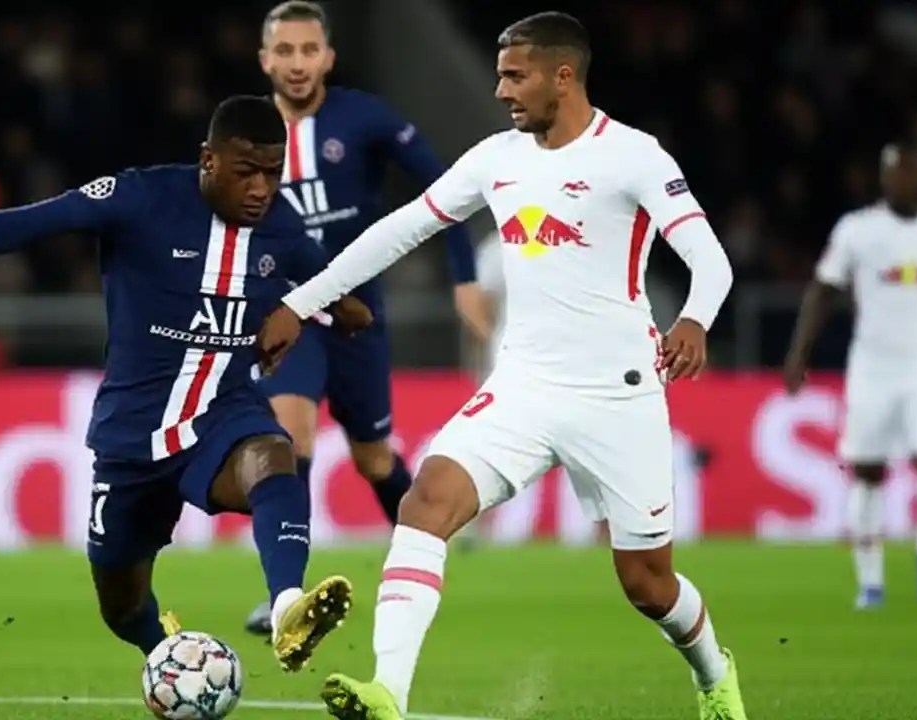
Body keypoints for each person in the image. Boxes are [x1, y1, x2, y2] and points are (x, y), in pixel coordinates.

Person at [257, 12, 745, 720]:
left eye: (515, 75)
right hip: (522, 385)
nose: (501, 90)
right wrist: (302, 303)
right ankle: (387, 692)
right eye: (499, 74)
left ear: (563, 75)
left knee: (647, 583)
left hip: (619, 393)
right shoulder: (498, 158)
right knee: (424, 501)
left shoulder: (635, 156)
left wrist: (695, 317)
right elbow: (402, 228)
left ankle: (713, 675)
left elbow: (711, 260)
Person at [0, 95, 367, 672]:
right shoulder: (139, 198)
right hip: (131, 436)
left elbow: (343, 297)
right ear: (208, 161)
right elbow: (30, 222)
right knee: (122, 608)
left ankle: (285, 609)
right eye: (246, 172)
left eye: (273, 174)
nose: (260, 189)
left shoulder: (282, 229)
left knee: (274, 456)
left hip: (221, 414)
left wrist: (304, 309)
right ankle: (170, 660)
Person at [244, 0, 493, 635]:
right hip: (288, 315)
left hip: (357, 316)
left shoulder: (364, 117)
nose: (297, 64)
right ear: (265, 59)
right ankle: (284, 595)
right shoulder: (244, 135)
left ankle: (423, 561)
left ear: (327, 56)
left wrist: (464, 280)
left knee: (374, 459)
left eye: (309, 51)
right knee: (287, 438)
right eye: (285, 52)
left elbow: (444, 191)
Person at [783, 142, 917, 609]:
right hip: (873, 367)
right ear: (884, 178)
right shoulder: (857, 231)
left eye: (912, 173)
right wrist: (799, 353)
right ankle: (871, 581)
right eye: (896, 173)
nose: (905, 182)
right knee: (867, 470)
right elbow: (823, 290)